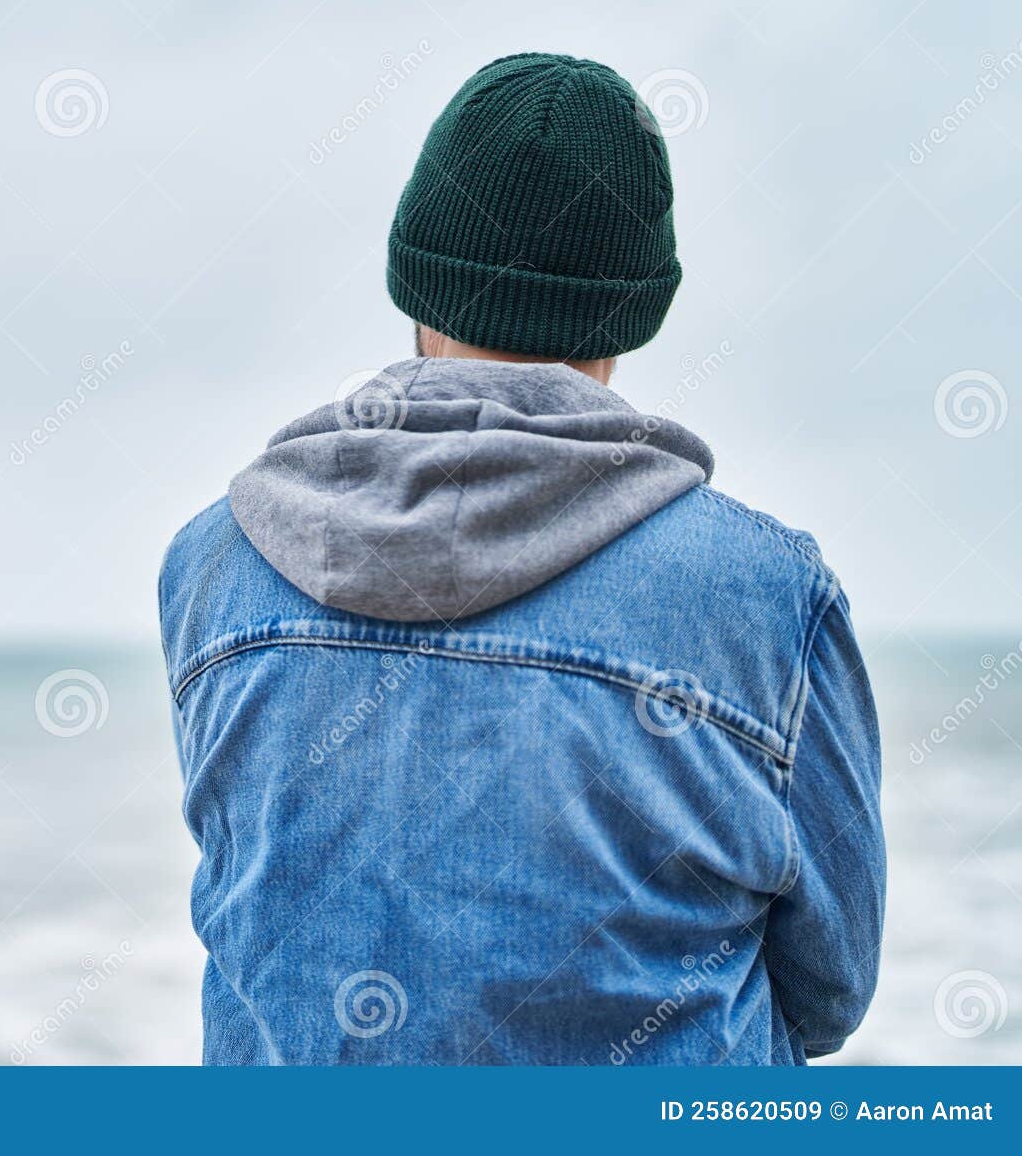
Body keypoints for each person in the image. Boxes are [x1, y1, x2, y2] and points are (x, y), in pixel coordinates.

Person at [157, 53, 884, 1064]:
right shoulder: (764, 594)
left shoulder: (214, 566)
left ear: (414, 277)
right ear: (632, 310)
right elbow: (831, 986)